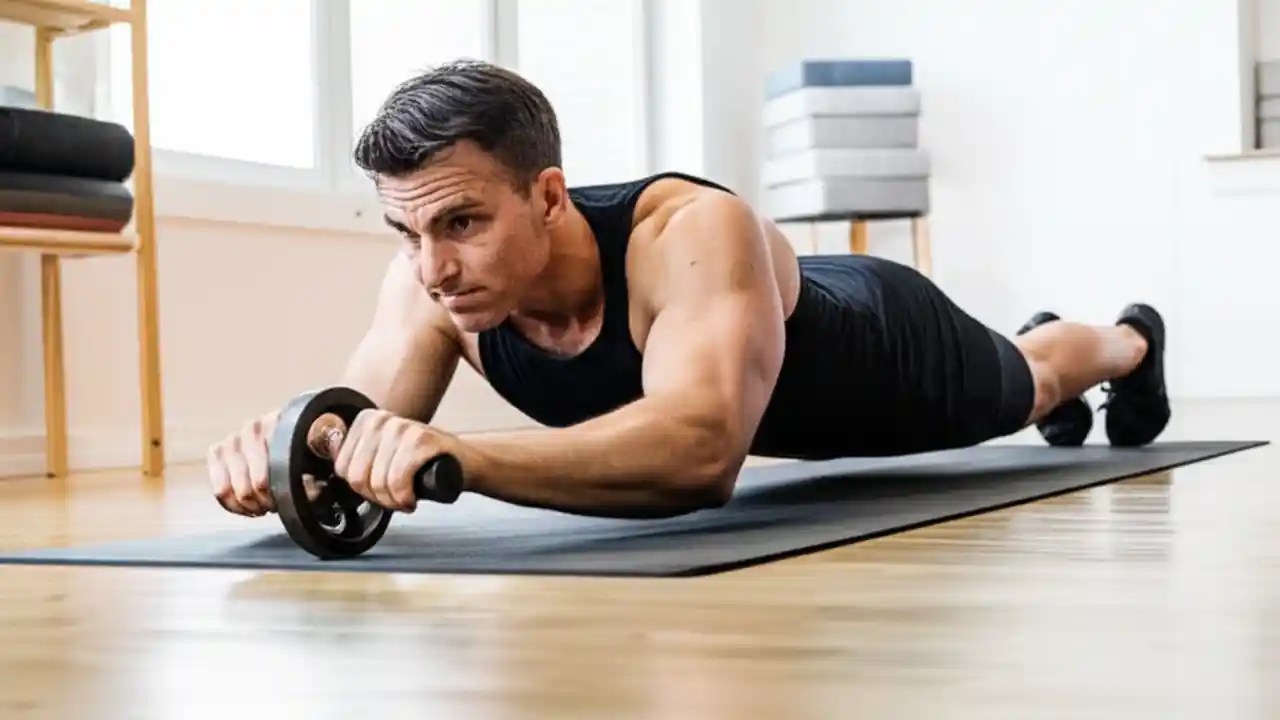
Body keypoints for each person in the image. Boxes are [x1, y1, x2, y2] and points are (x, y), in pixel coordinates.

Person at [206, 59, 1170, 520]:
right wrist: (291, 450)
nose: (432, 267)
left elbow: (704, 453)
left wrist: (466, 454)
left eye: (461, 223)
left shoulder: (687, 232)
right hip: (749, 320)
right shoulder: (432, 282)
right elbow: (359, 430)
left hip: (880, 347)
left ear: (547, 196)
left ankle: (1121, 341)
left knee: (1029, 384)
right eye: (407, 230)